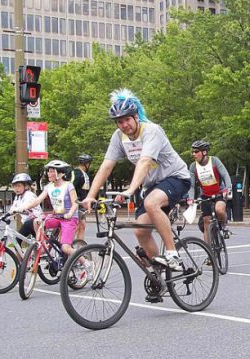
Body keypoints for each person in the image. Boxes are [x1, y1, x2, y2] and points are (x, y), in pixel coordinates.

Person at [82, 88, 191, 272]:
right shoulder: (119, 137)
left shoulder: (151, 131)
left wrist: (130, 190)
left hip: (176, 177)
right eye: (119, 122)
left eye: (127, 119)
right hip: (153, 184)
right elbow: (106, 166)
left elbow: (144, 162)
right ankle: (160, 274)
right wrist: (90, 196)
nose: (124, 125)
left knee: (151, 203)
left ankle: (173, 255)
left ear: (136, 116)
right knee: (140, 230)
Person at [15, 160, 81, 257]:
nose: (48, 174)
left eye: (51, 171)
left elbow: (75, 203)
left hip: (69, 219)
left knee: (65, 248)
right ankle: (42, 246)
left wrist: (70, 213)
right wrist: (24, 207)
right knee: (37, 221)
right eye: (48, 171)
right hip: (57, 217)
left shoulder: (68, 186)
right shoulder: (49, 186)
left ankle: (85, 262)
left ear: (60, 174)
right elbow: (38, 200)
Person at [188, 140, 232, 245]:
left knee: (219, 210)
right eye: (193, 152)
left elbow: (225, 175)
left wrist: (228, 189)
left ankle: (224, 226)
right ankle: (208, 251)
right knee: (206, 222)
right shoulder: (193, 167)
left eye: (196, 152)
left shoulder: (214, 161)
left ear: (204, 152)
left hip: (219, 192)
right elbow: (192, 185)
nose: (194, 154)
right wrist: (191, 199)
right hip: (205, 195)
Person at [9, 173, 43, 244]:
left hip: (36, 222)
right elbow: (13, 208)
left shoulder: (29, 195)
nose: (16, 188)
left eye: (19, 186)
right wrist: (3, 217)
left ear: (26, 186)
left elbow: (26, 205)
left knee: (39, 244)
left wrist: (19, 209)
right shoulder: (17, 197)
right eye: (15, 186)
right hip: (27, 223)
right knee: (17, 242)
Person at [70, 154, 92, 243]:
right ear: (86, 164)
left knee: (82, 226)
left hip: (81, 205)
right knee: (76, 227)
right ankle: (67, 246)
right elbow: (71, 188)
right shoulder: (77, 173)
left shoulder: (84, 174)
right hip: (76, 204)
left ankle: (79, 248)